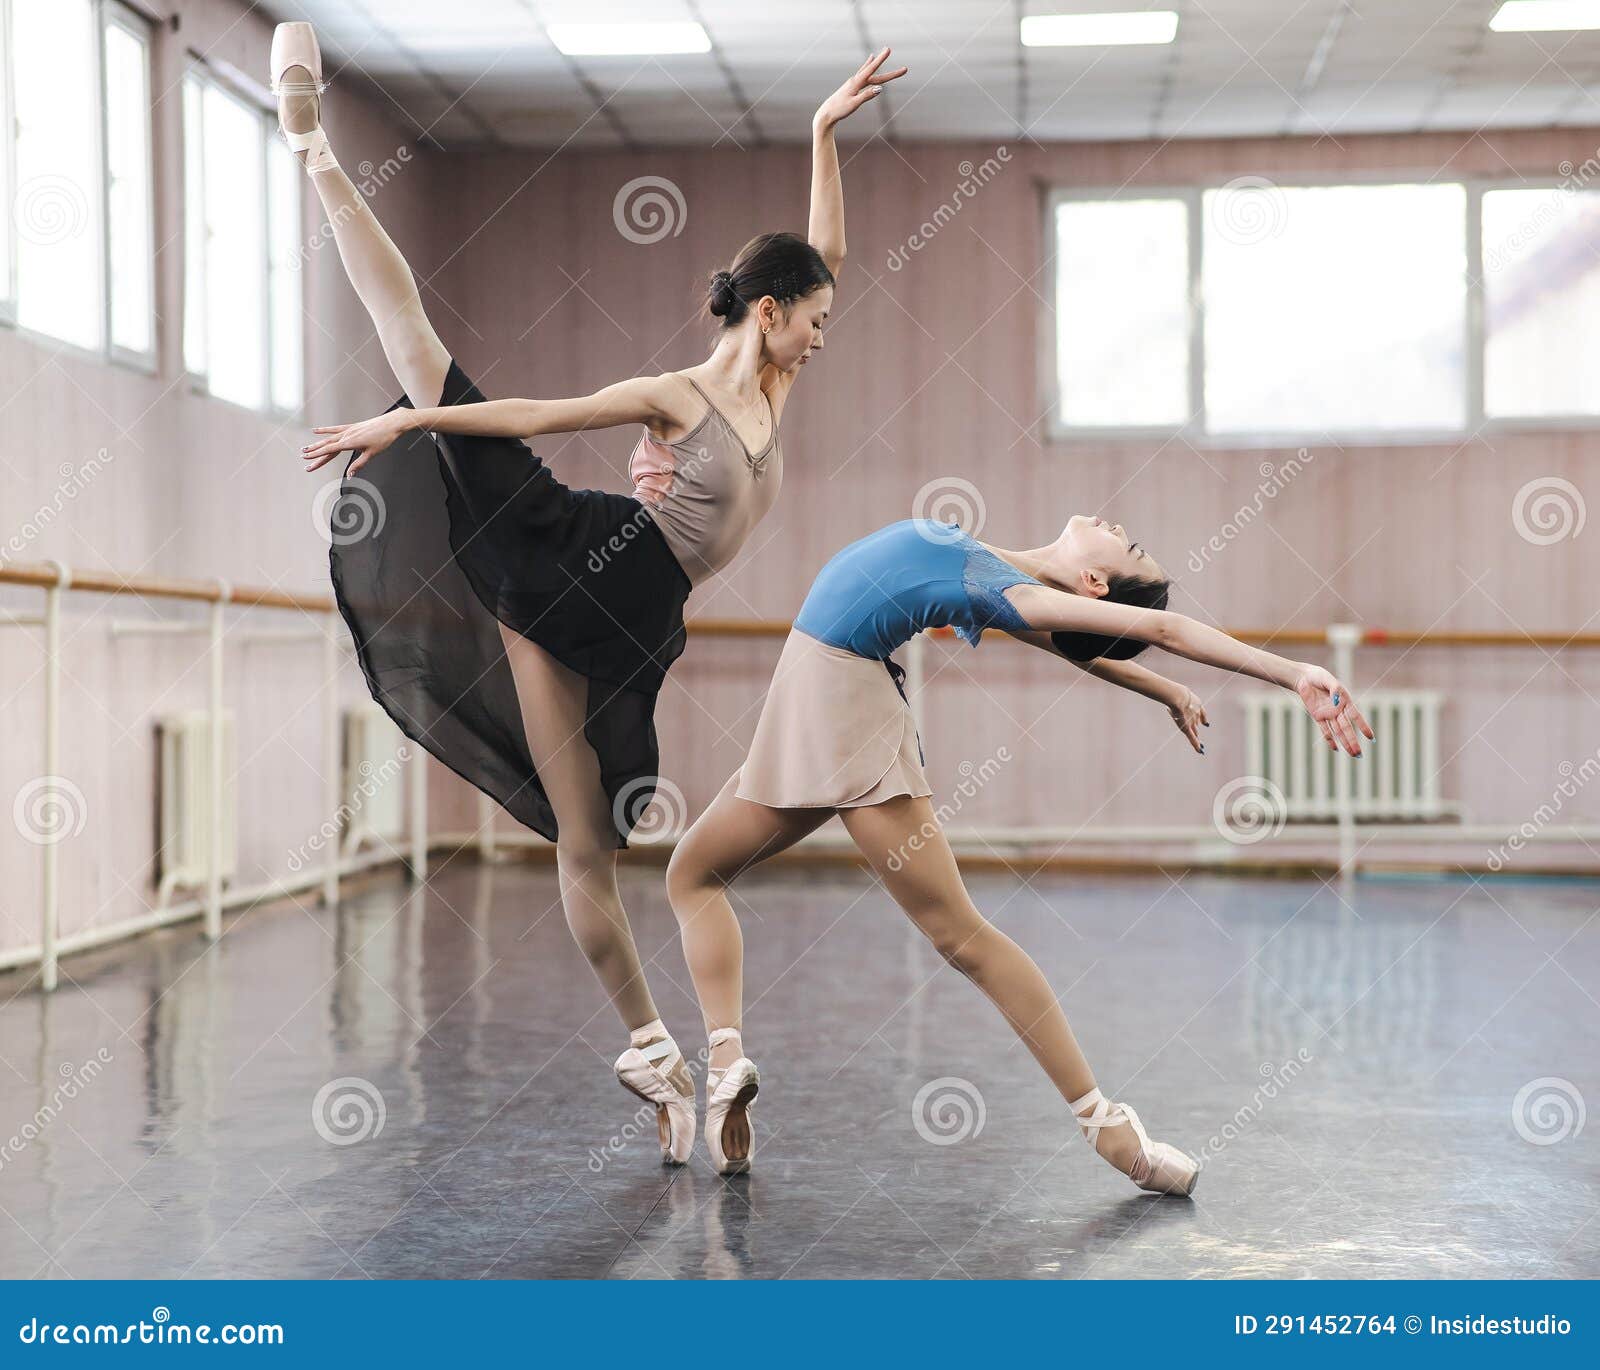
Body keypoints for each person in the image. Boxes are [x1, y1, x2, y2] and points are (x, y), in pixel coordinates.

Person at [275, 21, 906, 1165]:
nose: (822, 336)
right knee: (422, 353)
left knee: (589, 844)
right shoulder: (677, 395)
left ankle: (657, 1058)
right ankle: (316, 152)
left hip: (631, 613)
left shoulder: (774, 383)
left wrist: (822, 130)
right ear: (768, 312)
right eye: (811, 321)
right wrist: (408, 422)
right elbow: (539, 415)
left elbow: (826, 252)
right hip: (577, 562)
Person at [665, 515, 1372, 1186]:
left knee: (960, 935)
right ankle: (725, 1058)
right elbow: (1061, 639)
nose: (1120, 528)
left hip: (837, 700)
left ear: (1096, 584)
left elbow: (1160, 625)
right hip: (816, 695)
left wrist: (1290, 674)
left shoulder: (1004, 586)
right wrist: (1161, 686)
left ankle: (1106, 1126)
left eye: (1130, 547)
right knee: (693, 874)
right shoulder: (1000, 576)